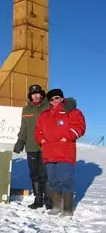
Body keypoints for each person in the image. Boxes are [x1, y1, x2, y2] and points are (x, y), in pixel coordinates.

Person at [14, 84, 76, 210]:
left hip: (47, 146)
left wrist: (68, 105)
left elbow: (69, 101)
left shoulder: (48, 105)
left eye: (38, 93)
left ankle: (49, 200)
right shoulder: (26, 110)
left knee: (46, 174)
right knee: (34, 173)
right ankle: (38, 199)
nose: (36, 96)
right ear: (30, 96)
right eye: (33, 94)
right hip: (31, 145)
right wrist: (20, 141)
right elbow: (24, 127)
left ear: (42, 95)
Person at [34, 88, 86, 216]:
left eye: (57, 98)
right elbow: (38, 130)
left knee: (65, 180)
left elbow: (80, 127)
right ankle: (57, 206)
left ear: (62, 98)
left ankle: (67, 209)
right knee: (53, 181)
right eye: (51, 99)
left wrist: (67, 136)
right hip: (49, 153)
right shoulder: (44, 115)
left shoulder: (72, 112)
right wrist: (42, 140)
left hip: (65, 152)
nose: (54, 101)